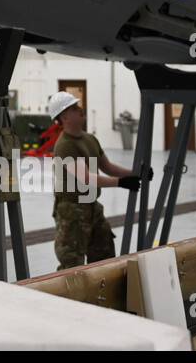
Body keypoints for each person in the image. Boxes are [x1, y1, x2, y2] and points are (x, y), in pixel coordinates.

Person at [47, 92, 141, 271]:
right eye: (74, 108)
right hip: (71, 211)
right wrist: (121, 182)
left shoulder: (89, 139)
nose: (80, 110)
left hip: (92, 207)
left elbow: (108, 167)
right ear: (64, 117)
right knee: (72, 264)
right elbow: (86, 178)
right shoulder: (65, 145)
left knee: (104, 256)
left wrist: (135, 173)